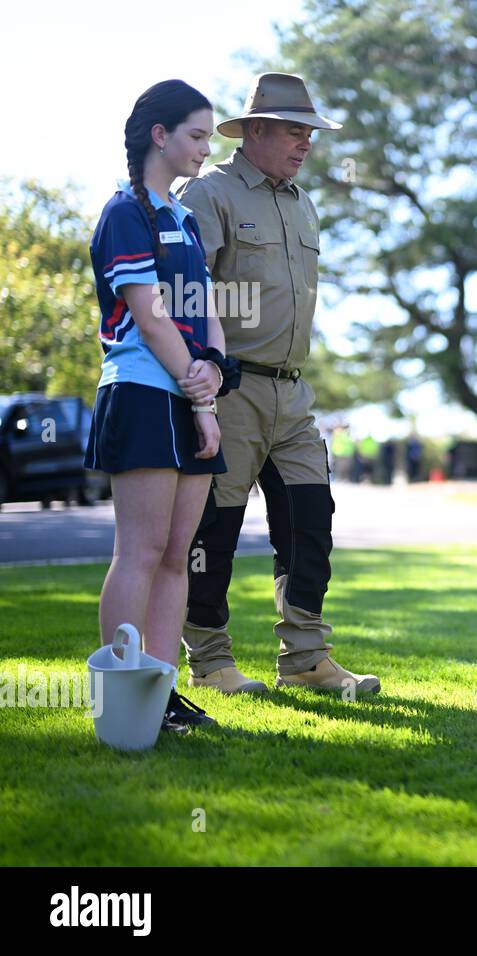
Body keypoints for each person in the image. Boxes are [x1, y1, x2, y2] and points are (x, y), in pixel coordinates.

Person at [177, 73, 380, 695]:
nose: (306, 144)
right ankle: (210, 662)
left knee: (309, 518)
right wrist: (202, 386)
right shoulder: (207, 194)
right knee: (216, 530)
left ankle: (305, 658)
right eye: (295, 131)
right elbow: (185, 296)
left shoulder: (300, 201)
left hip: (293, 394)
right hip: (230, 389)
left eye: (310, 133)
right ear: (255, 131)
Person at [87, 79, 239, 733]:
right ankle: (121, 695)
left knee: (179, 554)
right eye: (197, 136)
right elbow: (149, 319)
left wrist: (214, 379)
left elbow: (205, 311)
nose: (206, 149)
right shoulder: (124, 211)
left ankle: (161, 690)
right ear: (160, 136)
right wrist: (197, 391)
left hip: (187, 398)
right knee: (141, 551)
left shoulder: (184, 217)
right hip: (142, 397)